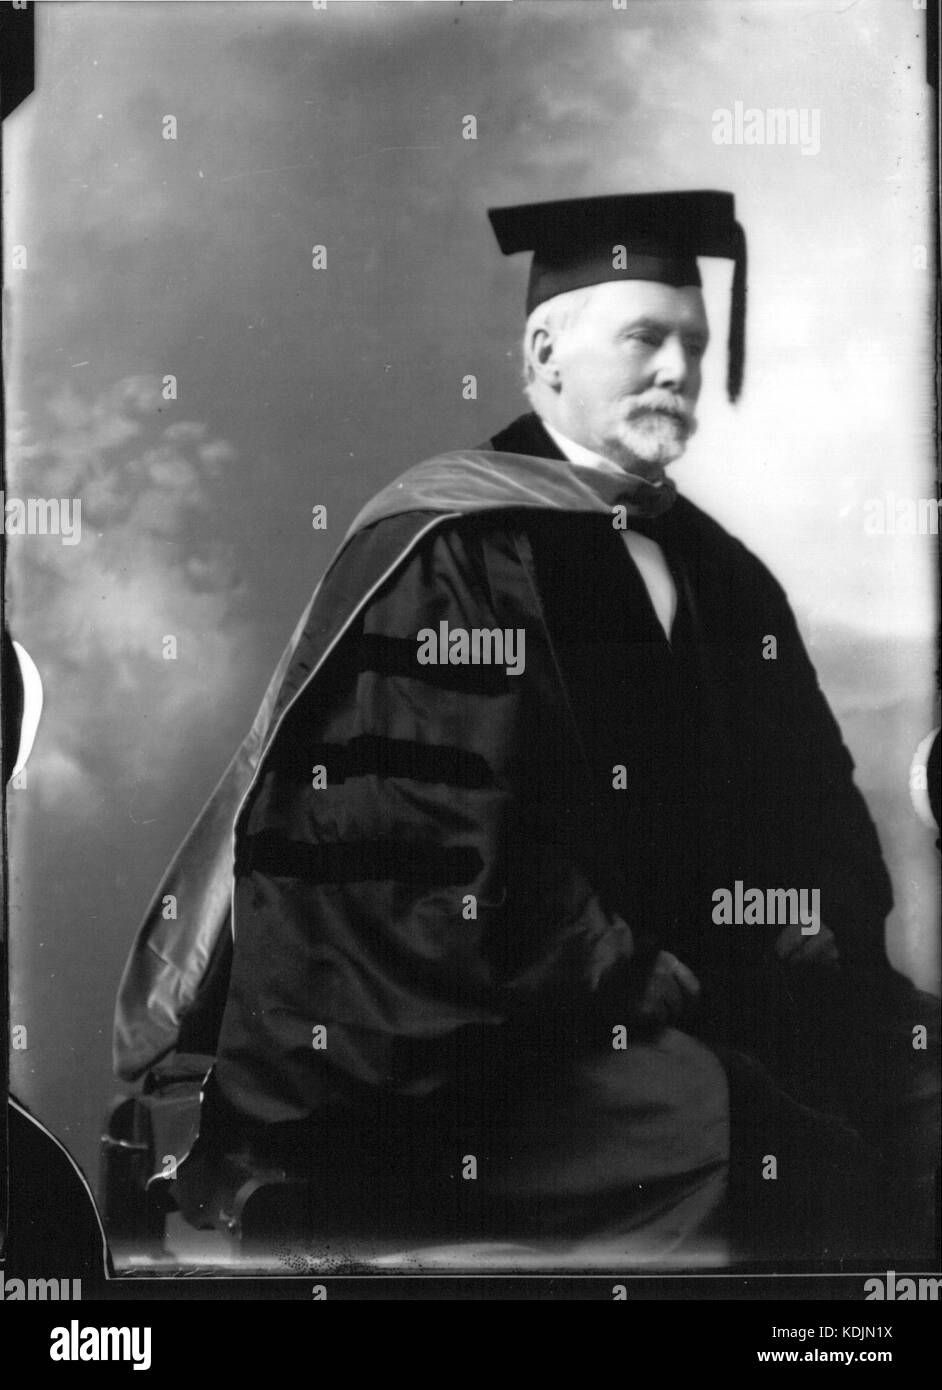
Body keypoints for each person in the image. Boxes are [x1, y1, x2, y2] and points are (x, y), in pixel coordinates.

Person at [113, 190, 939, 1264]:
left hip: (725, 993)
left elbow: (808, 798)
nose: (679, 370)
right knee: (755, 1136)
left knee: (919, 1090)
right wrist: (622, 968)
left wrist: (810, 920)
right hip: (492, 1041)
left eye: (693, 342)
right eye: (645, 336)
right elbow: (420, 854)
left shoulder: (725, 573)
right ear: (546, 351)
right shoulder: (459, 546)